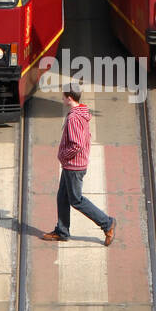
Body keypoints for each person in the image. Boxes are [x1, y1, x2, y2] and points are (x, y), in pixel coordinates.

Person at [41, 85, 116, 245]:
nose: (62, 99)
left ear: (69, 97)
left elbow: (77, 144)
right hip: (73, 164)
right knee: (62, 197)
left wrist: (63, 155)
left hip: (74, 166)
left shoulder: (74, 118)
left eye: (63, 96)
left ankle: (107, 223)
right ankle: (62, 231)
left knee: (76, 200)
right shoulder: (82, 112)